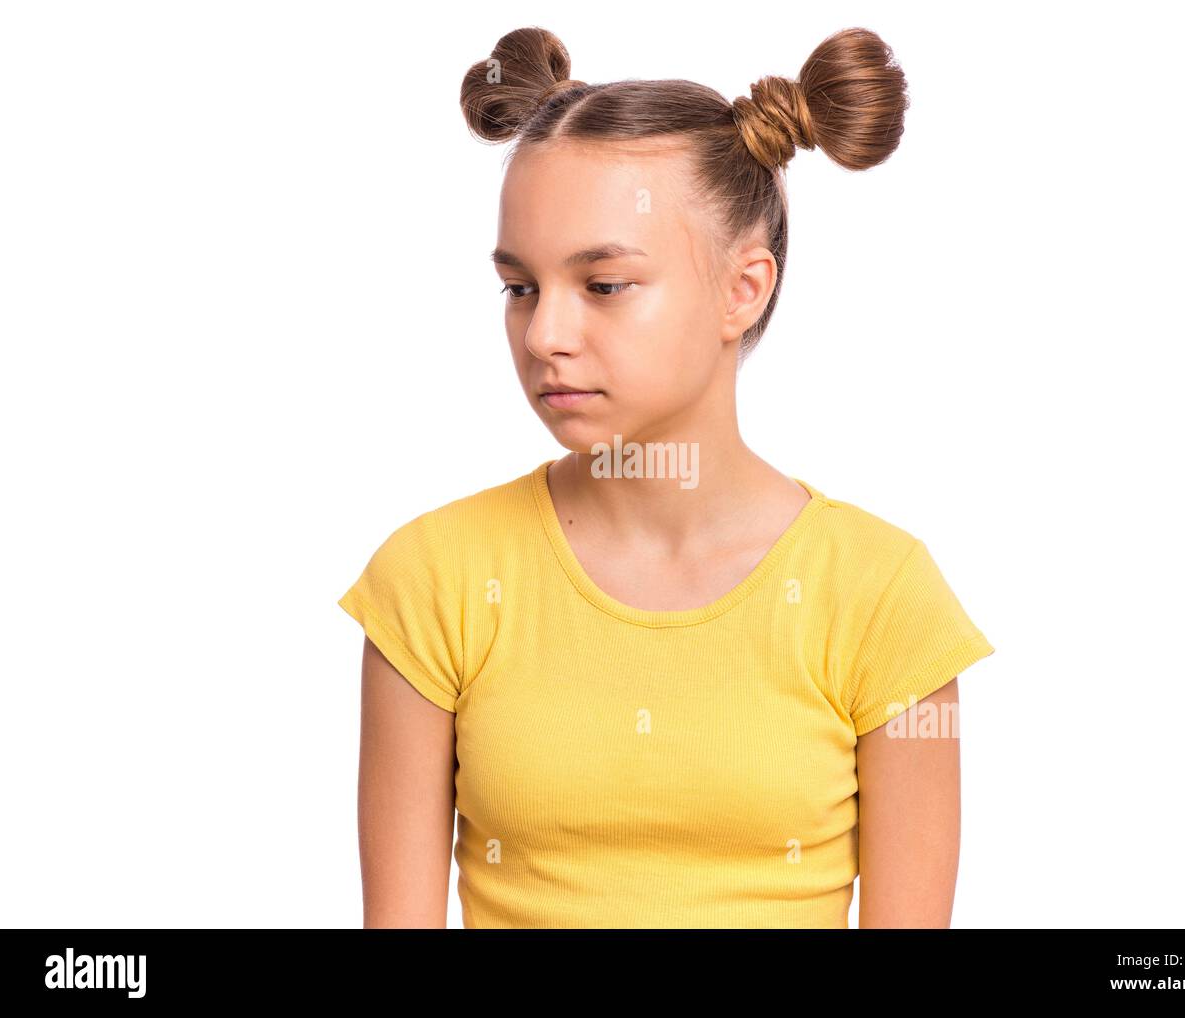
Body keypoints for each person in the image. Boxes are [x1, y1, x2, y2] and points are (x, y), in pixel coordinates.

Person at [338, 25, 995, 929]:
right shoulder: (433, 582)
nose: (543, 337)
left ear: (744, 290)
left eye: (603, 285)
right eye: (520, 287)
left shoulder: (883, 600)